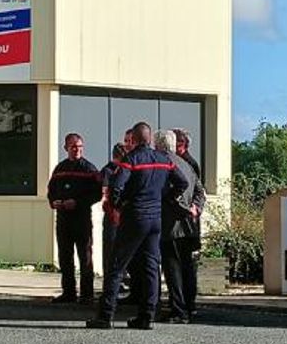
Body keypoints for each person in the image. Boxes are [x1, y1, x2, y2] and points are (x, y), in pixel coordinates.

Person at [87, 122, 187, 330]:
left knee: (117, 265)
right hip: (155, 218)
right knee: (151, 266)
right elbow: (182, 182)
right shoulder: (164, 159)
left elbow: (116, 186)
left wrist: (118, 206)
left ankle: (105, 316)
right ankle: (147, 316)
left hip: (134, 216)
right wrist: (165, 197)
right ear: (150, 139)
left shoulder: (131, 160)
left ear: (133, 139)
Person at [155, 130, 205, 323]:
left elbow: (169, 193)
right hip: (189, 225)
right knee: (186, 267)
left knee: (172, 268)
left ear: (158, 145)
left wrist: (184, 209)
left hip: (171, 223)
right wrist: (195, 208)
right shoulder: (186, 164)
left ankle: (178, 310)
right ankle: (189, 306)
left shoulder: (163, 163)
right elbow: (200, 191)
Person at [47, 133, 102, 304]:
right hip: (63, 219)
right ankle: (68, 292)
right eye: (73, 147)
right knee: (65, 256)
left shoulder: (89, 169)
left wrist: (78, 203)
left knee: (85, 256)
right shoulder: (60, 169)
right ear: (66, 148)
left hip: (81, 218)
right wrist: (54, 202)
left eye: (79, 147)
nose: (77, 150)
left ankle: (87, 294)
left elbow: (97, 194)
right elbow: (51, 190)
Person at [173, 127, 204, 305]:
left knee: (184, 263)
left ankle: (187, 301)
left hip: (185, 221)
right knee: (184, 263)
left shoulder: (187, 163)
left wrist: (192, 208)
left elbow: (196, 191)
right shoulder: (185, 161)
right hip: (186, 219)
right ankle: (186, 301)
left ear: (182, 144)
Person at [100, 142, 126, 284]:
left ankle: (120, 279)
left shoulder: (118, 170)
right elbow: (105, 195)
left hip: (122, 215)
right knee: (111, 250)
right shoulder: (109, 171)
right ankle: (111, 281)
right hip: (113, 216)